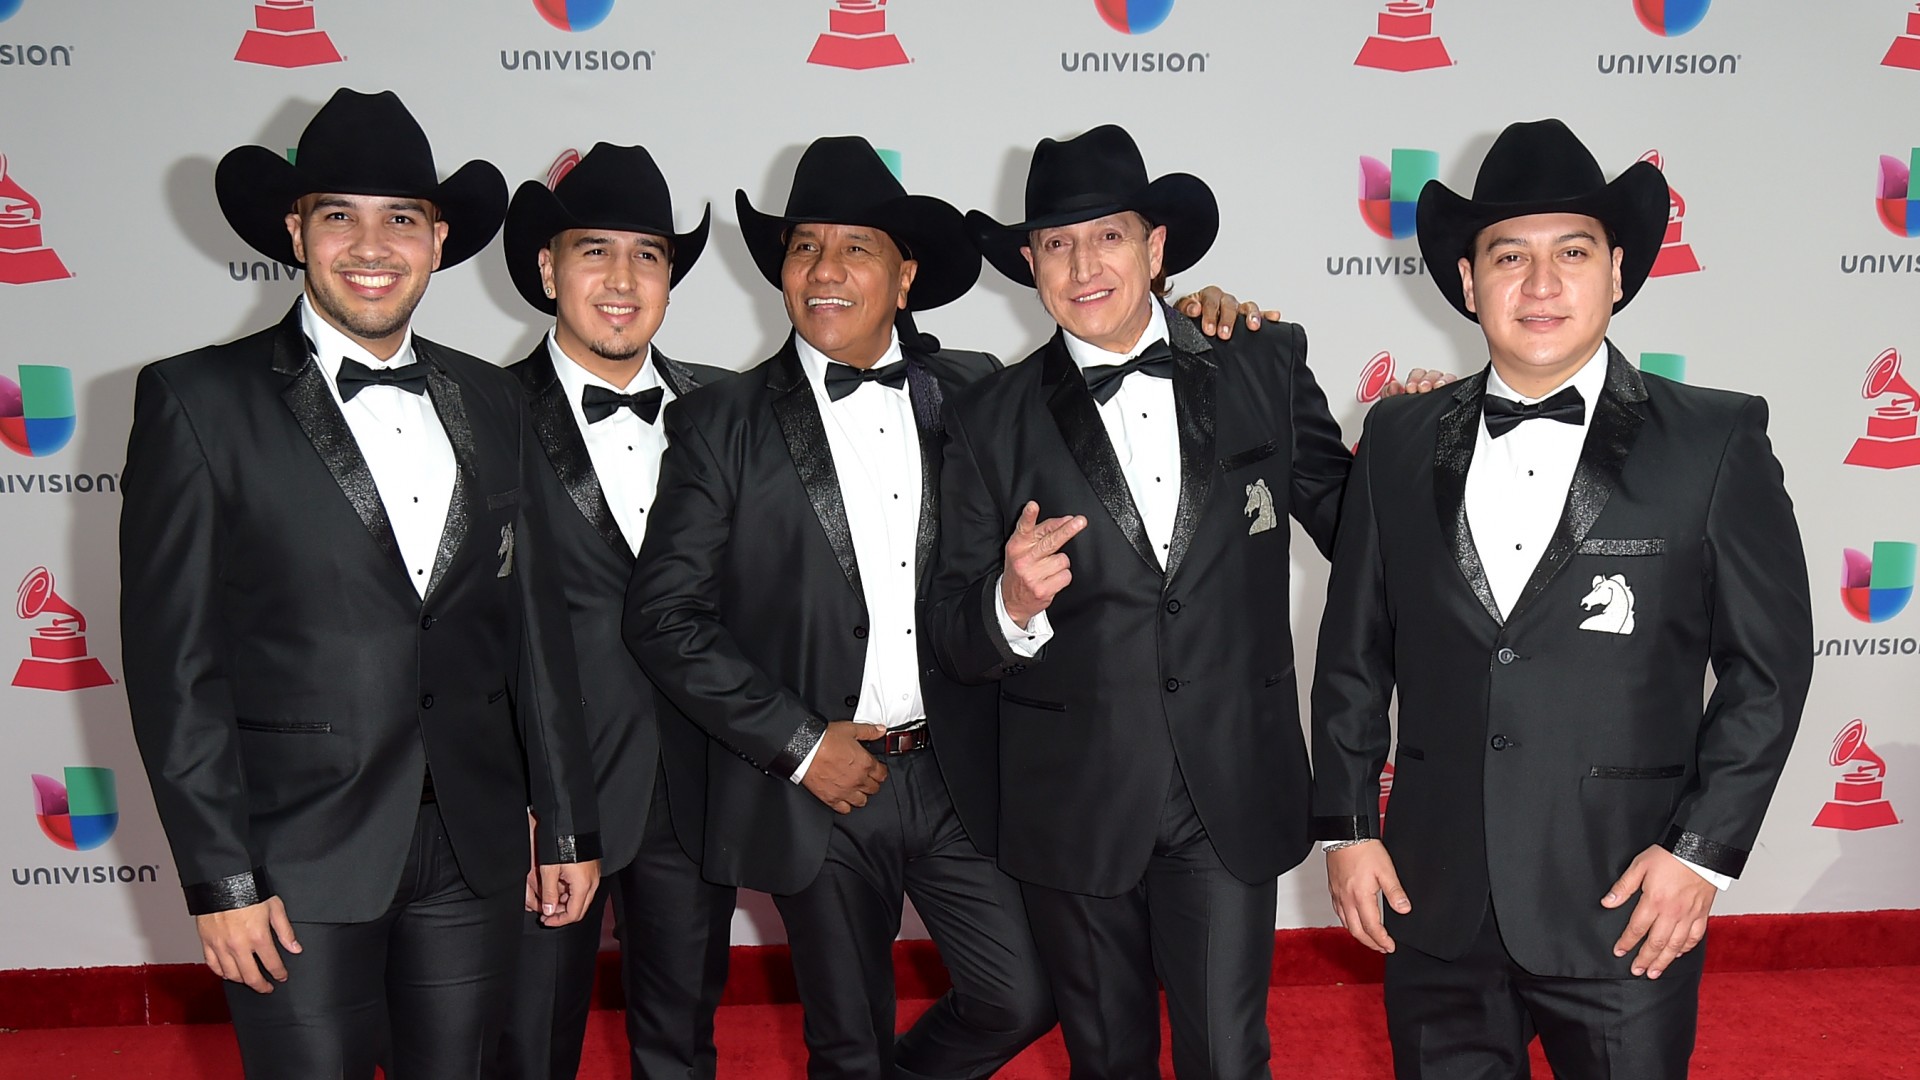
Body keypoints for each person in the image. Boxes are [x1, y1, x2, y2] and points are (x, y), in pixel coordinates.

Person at [1311, 118, 1814, 1079]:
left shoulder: (1716, 443)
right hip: (1433, 897)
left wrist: (1699, 855)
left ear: (1618, 271)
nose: (1541, 285)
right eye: (1510, 257)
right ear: (1467, 283)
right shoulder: (1399, 437)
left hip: (1626, 904)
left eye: (1571, 253)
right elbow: (1352, 657)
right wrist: (1346, 827)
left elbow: (1769, 670)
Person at [118, 88, 601, 1079]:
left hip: (473, 847)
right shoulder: (198, 400)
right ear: (296, 232)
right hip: (295, 856)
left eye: (402, 219)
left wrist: (564, 821)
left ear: (438, 240)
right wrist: (220, 880)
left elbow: (536, 632)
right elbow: (177, 669)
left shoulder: (492, 396)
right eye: (340, 214)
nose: (372, 244)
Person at [928, 124, 1354, 1080]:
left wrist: (1435, 449)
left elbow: (1360, 531)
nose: (1085, 265)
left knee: (1227, 1055)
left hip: (1227, 783)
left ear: (1156, 249)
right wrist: (1009, 601)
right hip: (1072, 796)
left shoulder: (1262, 360)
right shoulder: (986, 418)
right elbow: (952, 636)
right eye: (1057, 244)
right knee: (1106, 1060)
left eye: (1109, 236)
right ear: (1029, 264)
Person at [497, 143, 737, 1080]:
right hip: (545, 798)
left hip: (693, 785)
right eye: (595, 251)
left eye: (648, 254)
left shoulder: (728, 408)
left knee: (683, 1045)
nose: (623, 279)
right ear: (549, 269)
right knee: (526, 1046)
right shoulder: (481, 409)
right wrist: (509, 795)